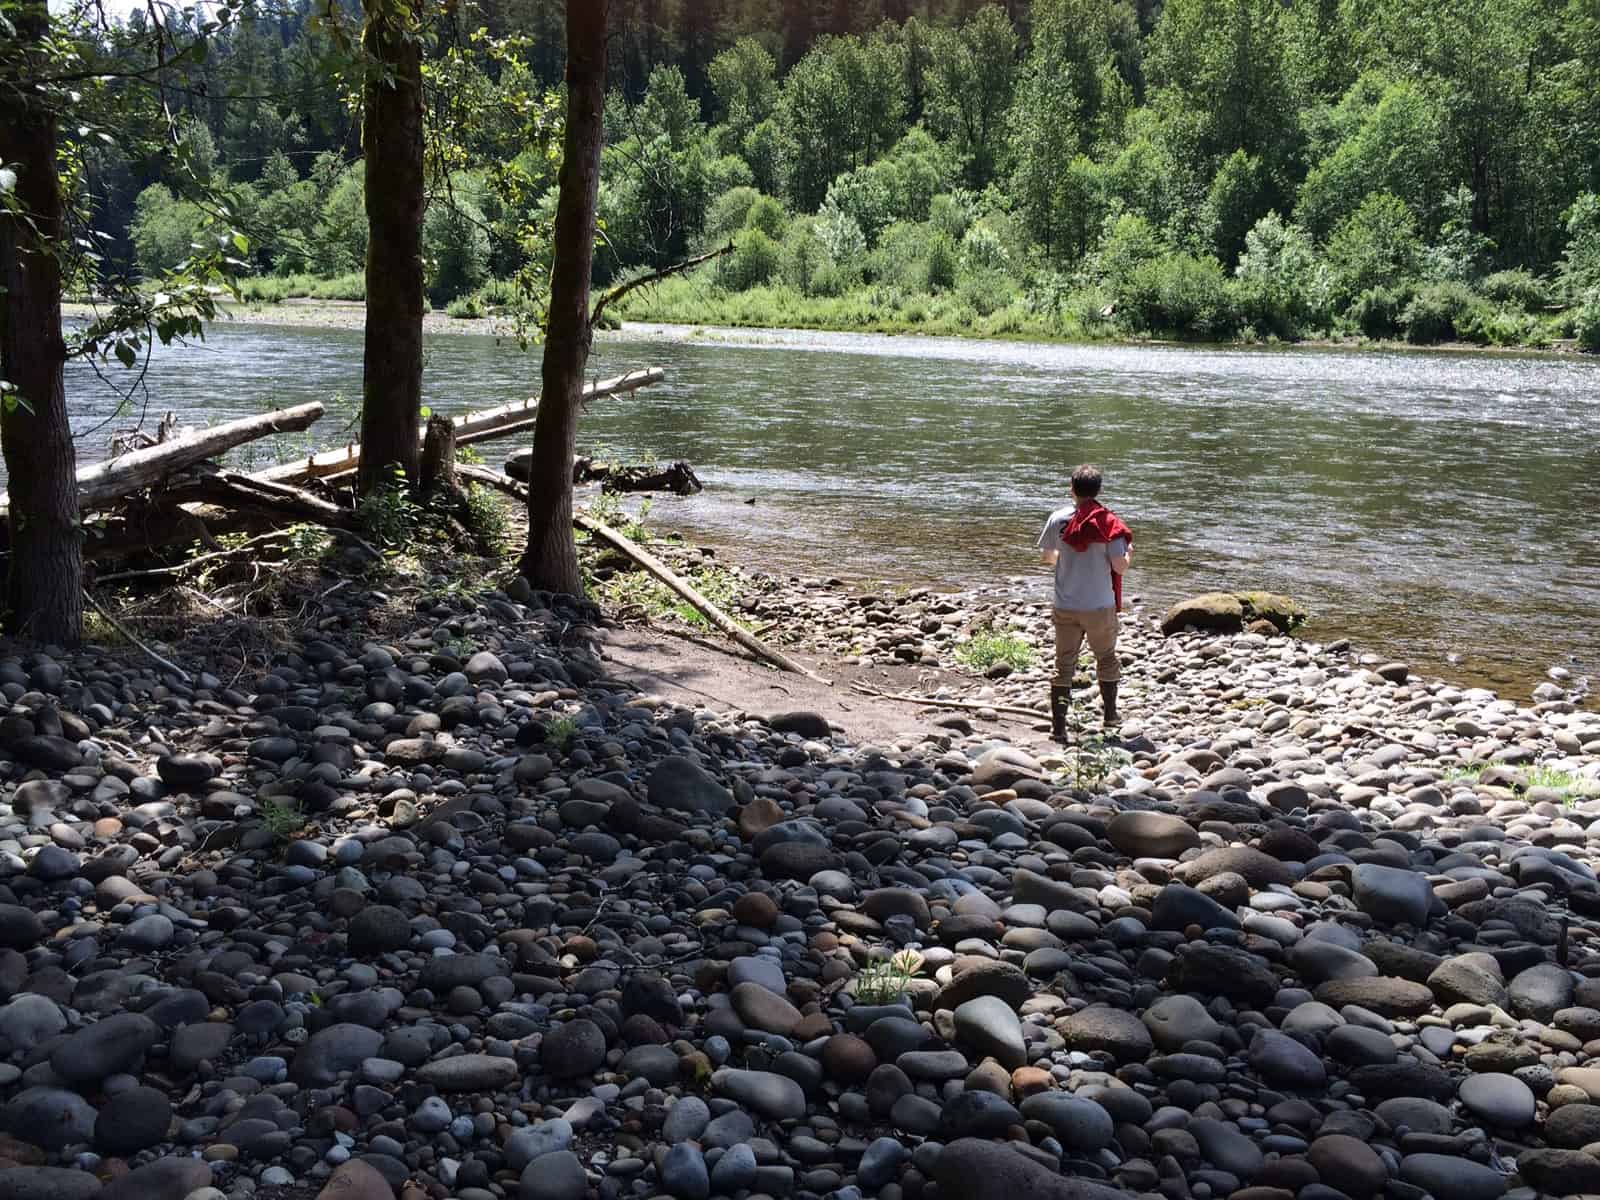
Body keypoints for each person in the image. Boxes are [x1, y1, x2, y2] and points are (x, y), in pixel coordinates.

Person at [1035, 464, 1131, 736]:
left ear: (1072, 489)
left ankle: (1059, 729)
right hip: (1099, 605)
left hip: (1066, 604)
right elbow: (1120, 567)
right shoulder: (1108, 522)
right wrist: (1129, 551)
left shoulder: (1057, 518)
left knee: (1064, 665)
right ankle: (1110, 717)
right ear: (1099, 490)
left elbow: (1048, 558)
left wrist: (1067, 559)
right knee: (1106, 658)